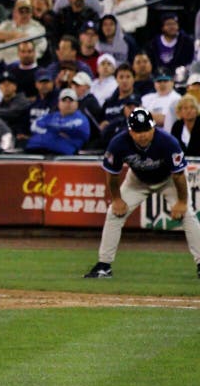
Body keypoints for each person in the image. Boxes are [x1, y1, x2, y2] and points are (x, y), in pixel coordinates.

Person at [84, 107, 200, 279]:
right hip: (137, 181)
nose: (142, 135)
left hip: (168, 180)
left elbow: (179, 175)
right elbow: (112, 174)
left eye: (146, 129)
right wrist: (116, 199)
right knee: (114, 214)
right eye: (137, 131)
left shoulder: (167, 141)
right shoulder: (118, 143)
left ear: (153, 127)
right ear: (130, 131)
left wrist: (182, 202)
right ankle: (104, 265)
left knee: (188, 215)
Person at [26, 88, 90, 155]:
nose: (67, 103)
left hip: (65, 153)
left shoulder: (81, 119)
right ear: (59, 103)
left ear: (77, 103)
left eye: (71, 101)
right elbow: (34, 126)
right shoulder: (52, 115)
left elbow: (68, 126)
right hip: (38, 148)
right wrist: (54, 131)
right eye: (64, 100)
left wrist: (48, 129)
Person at [0, 0, 47, 64]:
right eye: (21, 11)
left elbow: (24, 38)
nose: (25, 14)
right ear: (15, 12)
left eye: (27, 11)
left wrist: (5, 37)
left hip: (20, 63)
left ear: (31, 13)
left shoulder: (37, 27)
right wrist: (14, 35)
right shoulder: (7, 24)